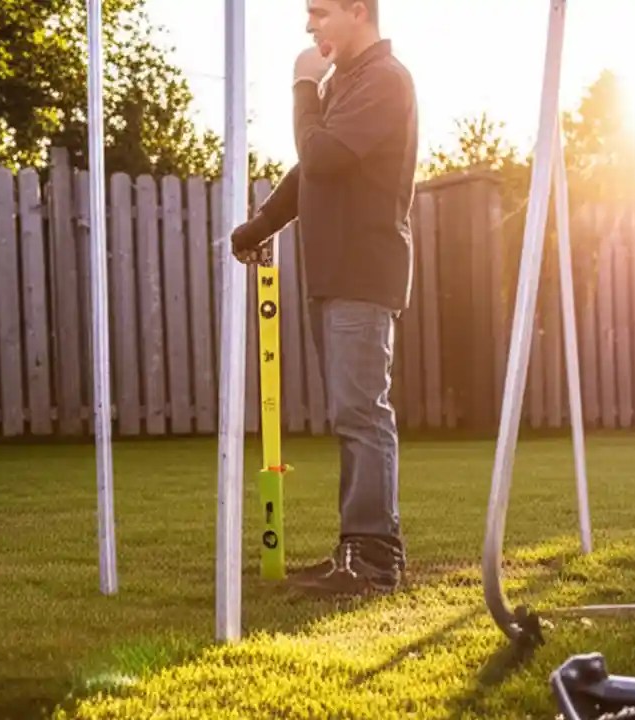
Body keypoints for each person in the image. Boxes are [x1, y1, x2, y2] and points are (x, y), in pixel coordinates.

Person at [230, 0, 417, 597]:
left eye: (320, 12)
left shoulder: (387, 81)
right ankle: (354, 552)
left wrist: (303, 86)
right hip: (333, 274)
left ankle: (373, 560)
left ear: (358, 11)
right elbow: (308, 170)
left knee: (363, 413)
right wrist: (260, 225)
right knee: (350, 413)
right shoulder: (351, 83)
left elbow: (323, 156)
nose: (310, 26)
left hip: (364, 272)